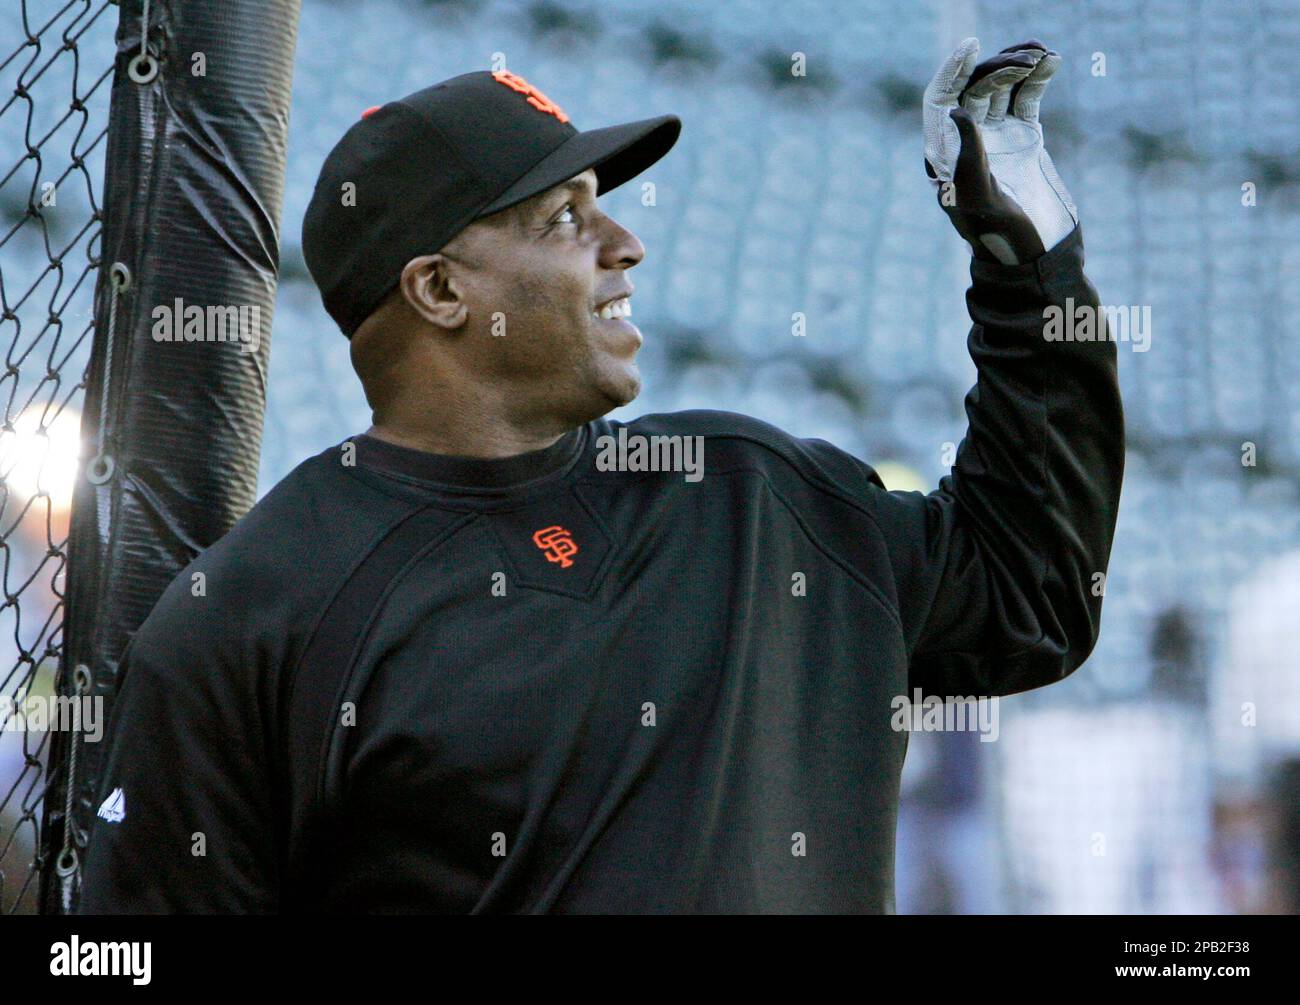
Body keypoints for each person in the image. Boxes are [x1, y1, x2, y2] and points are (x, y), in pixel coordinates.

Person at [77, 42, 1124, 913]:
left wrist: (1031, 264)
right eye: (566, 218)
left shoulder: (759, 497)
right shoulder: (254, 615)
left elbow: (1030, 592)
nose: (624, 245)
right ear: (440, 290)